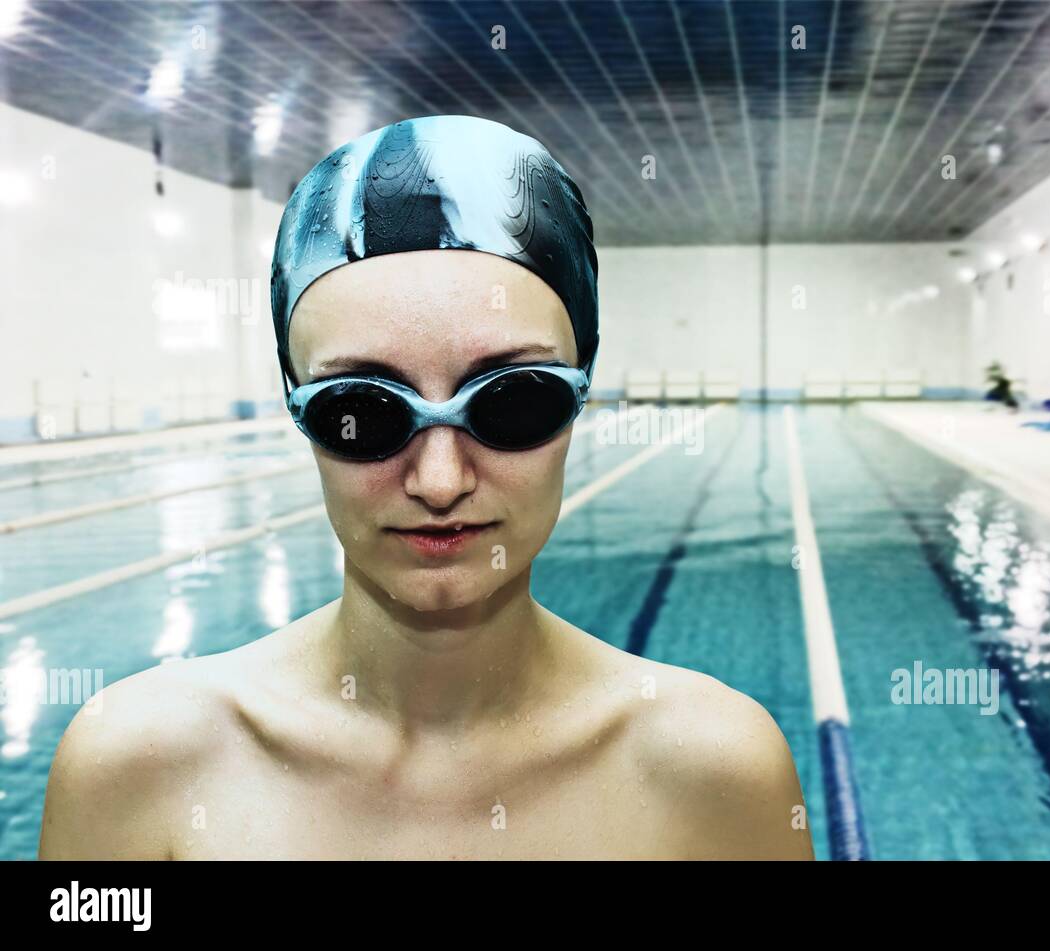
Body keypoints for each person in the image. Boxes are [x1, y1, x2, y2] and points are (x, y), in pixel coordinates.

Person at [38, 116, 813, 861]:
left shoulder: (716, 772)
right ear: (295, 405)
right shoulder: (135, 768)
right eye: (362, 412)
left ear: (581, 394)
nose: (439, 480)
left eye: (512, 399)